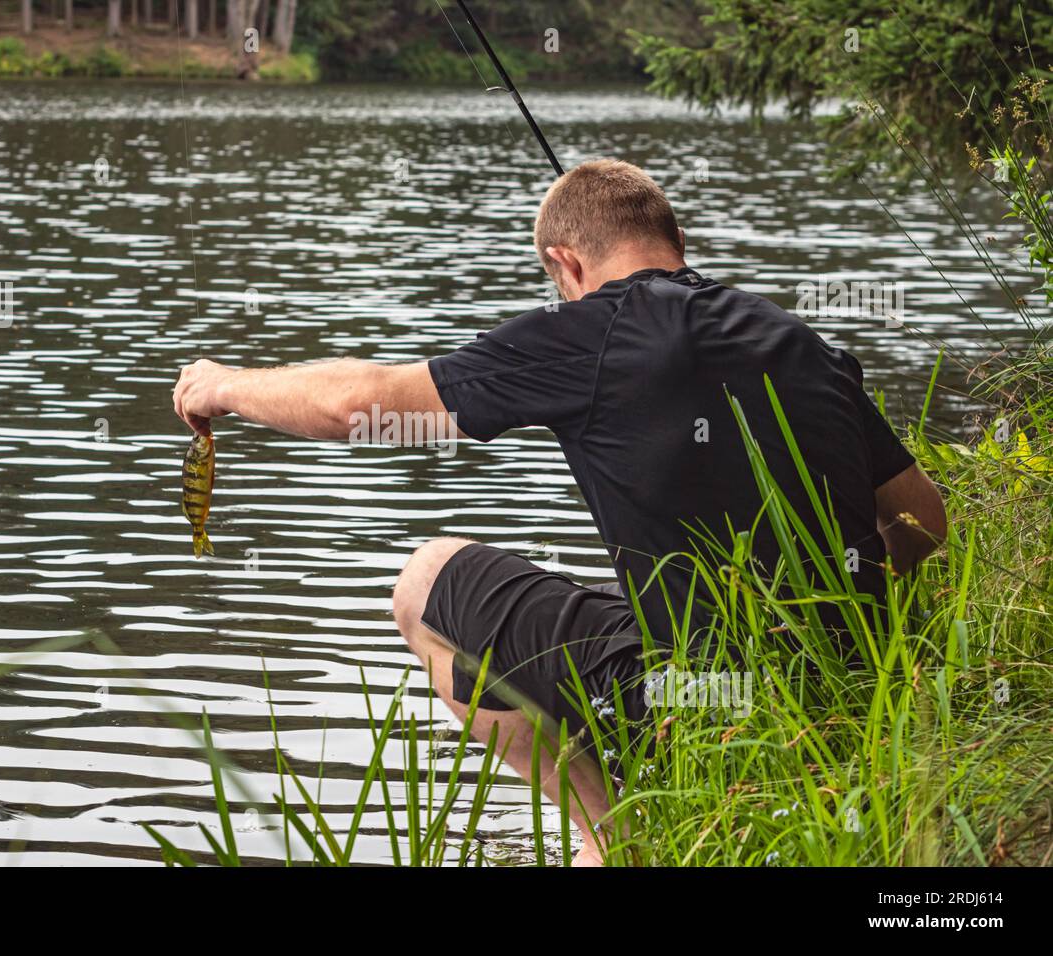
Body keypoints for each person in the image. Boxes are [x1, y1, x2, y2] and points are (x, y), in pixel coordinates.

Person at [170, 159, 948, 866]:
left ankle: (614, 842)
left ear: (564, 263)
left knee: (426, 584)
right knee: (627, 599)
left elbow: (356, 409)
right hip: (842, 686)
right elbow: (923, 522)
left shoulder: (586, 334)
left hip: (697, 700)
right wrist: (806, 613)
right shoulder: (802, 341)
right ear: (675, 240)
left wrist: (225, 386)